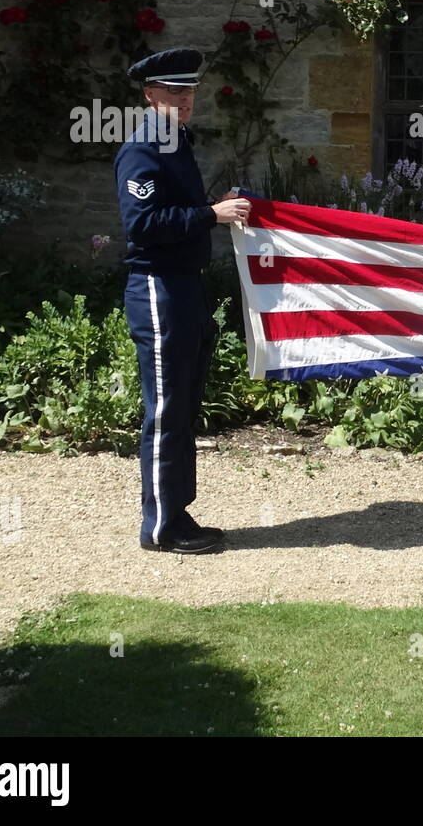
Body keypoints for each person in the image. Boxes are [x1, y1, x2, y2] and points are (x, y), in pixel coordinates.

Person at [115, 47, 251, 553]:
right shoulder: (144, 149)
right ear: (150, 95)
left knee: (183, 403)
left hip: (184, 286)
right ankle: (159, 528)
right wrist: (210, 215)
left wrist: (213, 212)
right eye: (174, 91)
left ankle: (177, 513)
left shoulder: (175, 143)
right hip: (158, 287)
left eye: (190, 90)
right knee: (167, 408)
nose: (186, 99)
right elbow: (142, 225)